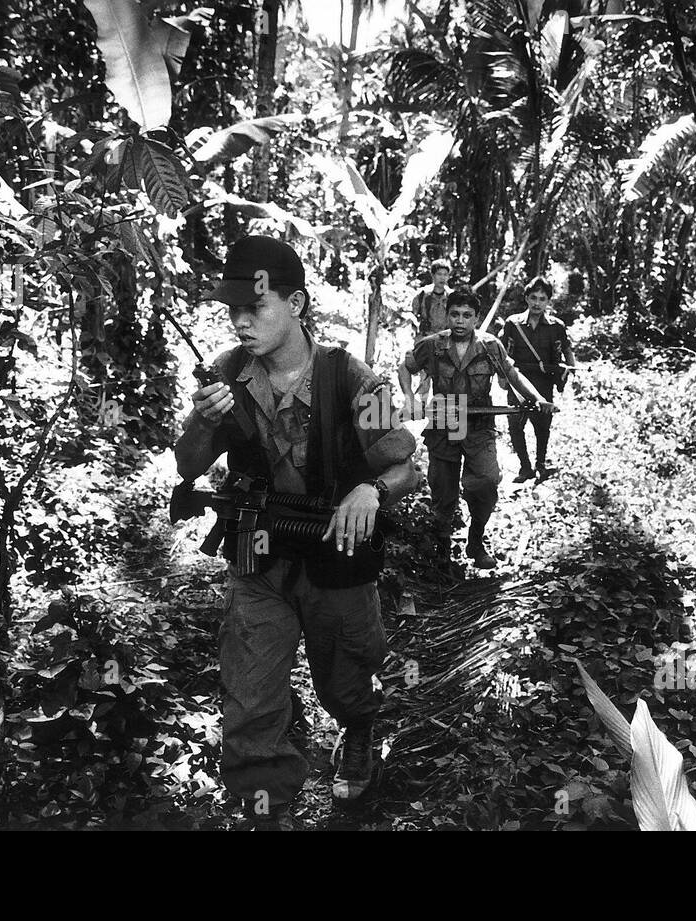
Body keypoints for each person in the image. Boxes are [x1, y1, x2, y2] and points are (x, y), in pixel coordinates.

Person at [174, 235, 420, 830]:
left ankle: (359, 732)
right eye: (231, 310)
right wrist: (203, 425)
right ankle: (268, 810)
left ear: (298, 304)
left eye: (254, 308)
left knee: (347, 679)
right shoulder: (229, 374)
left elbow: (404, 463)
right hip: (258, 559)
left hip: (337, 557)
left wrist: (371, 490)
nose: (240, 323)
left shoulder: (351, 378)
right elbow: (187, 467)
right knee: (251, 696)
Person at [398, 288, 555, 570]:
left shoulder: (491, 346)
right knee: (443, 492)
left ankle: (476, 540)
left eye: (467, 316)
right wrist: (410, 398)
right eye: (455, 315)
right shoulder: (432, 345)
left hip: (479, 426)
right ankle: (442, 549)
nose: (460, 321)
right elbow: (405, 366)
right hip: (444, 424)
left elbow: (513, 375)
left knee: (485, 481)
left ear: (476, 318)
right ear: (447, 316)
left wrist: (538, 398)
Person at [499, 277, 576, 482]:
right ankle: (525, 467)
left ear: (548, 301)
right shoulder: (513, 324)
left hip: (544, 382)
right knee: (515, 425)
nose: (537, 303)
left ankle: (540, 463)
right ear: (526, 298)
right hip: (518, 382)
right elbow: (502, 352)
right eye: (533, 297)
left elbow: (567, 350)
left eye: (542, 298)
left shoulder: (555, 326)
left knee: (542, 424)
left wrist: (571, 370)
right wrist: (502, 377)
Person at [411, 259, 452, 338]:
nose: (442, 278)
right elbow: (412, 316)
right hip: (426, 338)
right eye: (439, 274)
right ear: (433, 275)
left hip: (446, 338)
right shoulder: (422, 295)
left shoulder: (452, 296)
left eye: (445, 274)